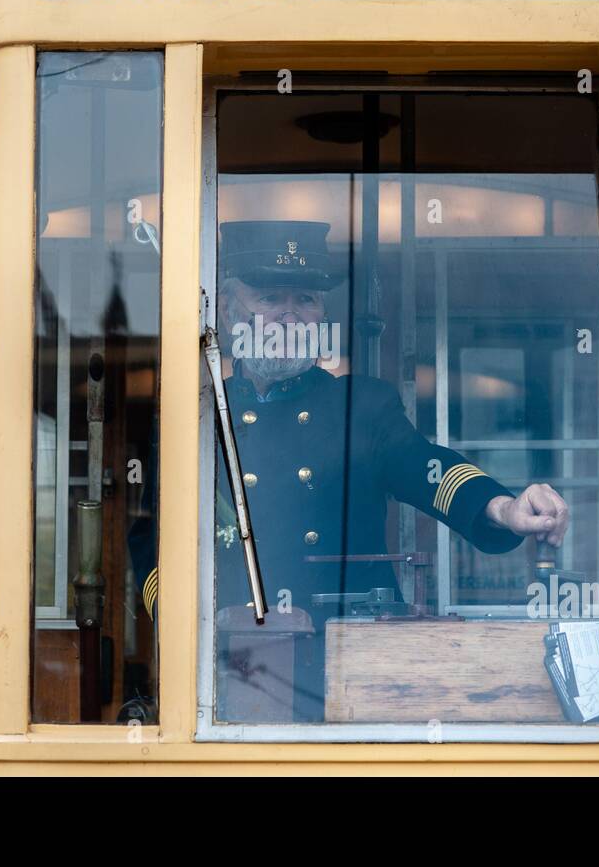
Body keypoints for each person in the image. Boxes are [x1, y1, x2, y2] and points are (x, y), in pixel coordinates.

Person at [129, 220, 570, 719]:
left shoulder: (362, 405)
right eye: (270, 296)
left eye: (305, 298)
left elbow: (425, 467)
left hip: (348, 665)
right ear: (229, 311)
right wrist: (187, 621)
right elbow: (149, 535)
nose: (289, 314)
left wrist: (503, 506)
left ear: (322, 314)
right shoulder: (202, 413)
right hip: (237, 667)